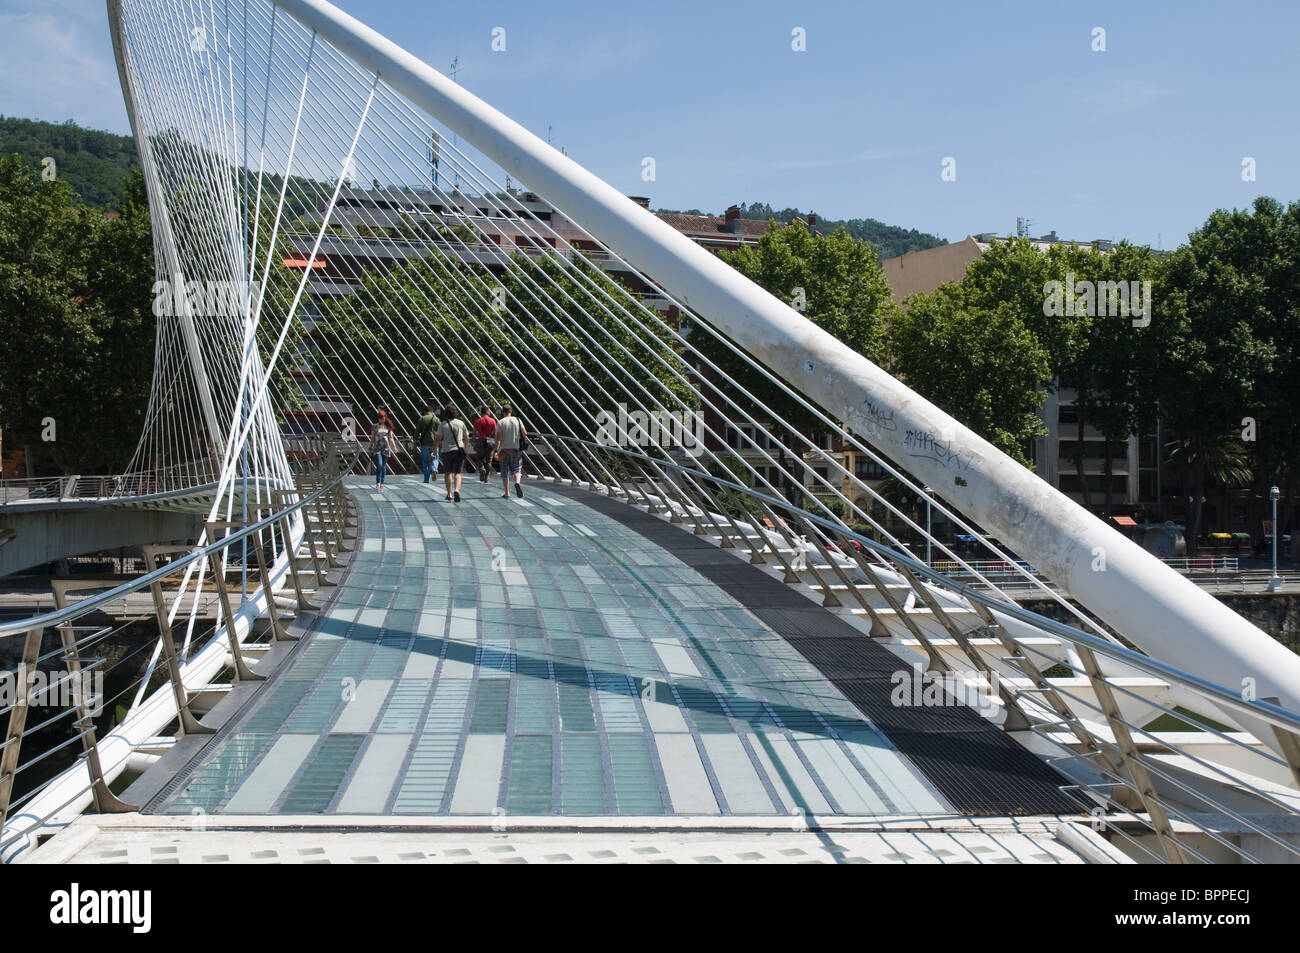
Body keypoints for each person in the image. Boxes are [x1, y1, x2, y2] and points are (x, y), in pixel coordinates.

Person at [434, 404, 470, 502]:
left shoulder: (442, 425)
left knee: (447, 473)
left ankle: (449, 494)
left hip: (447, 451)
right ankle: (457, 490)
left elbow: (438, 439)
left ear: (446, 414)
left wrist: (434, 450)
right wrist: (464, 446)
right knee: (457, 473)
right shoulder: (461, 423)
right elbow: (467, 437)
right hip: (459, 450)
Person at [494, 404, 526, 499]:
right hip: (516, 450)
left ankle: (507, 493)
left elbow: (498, 439)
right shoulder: (518, 420)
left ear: (503, 412)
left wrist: (496, 450)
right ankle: (517, 483)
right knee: (517, 469)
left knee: (504, 471)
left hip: (504, 450)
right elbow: (525, 433)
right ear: (510, 411)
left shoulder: (501, 422)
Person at [369, 410, 398, 489]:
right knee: (380, 464)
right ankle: (378, 482)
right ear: (378, 418)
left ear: (385, 418)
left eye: (383, 418)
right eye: (380, 418)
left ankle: (382, 482)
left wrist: (394, 447)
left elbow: (391, 437)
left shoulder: (388, 426)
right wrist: (370, 447)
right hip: (377, 448)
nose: (382, 420)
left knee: (384, 466)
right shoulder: (374, 426)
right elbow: (372, 438)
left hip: (386, 449)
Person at [414, 403, 439, 483]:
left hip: (424, 443)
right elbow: (440, 432)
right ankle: (434, 469)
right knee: (435, 458)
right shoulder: (436, 419)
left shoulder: (422, 419)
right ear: (432, 411)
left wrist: (414, 443)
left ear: (425, 411)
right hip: (434, 443)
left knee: (425, 461)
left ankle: (426, 479)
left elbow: (417, 432)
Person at [473, 405, 497, 483]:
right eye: (489, 411)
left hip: (480, 441)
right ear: (487, 411)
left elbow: (474, 433)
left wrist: (474, 443)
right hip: (490, 441)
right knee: (489, 461)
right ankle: (486, 476)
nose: (490, 412)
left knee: (479, 459)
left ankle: (482, 469)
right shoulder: (492, 421)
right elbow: (495, 433)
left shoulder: (478, 421)